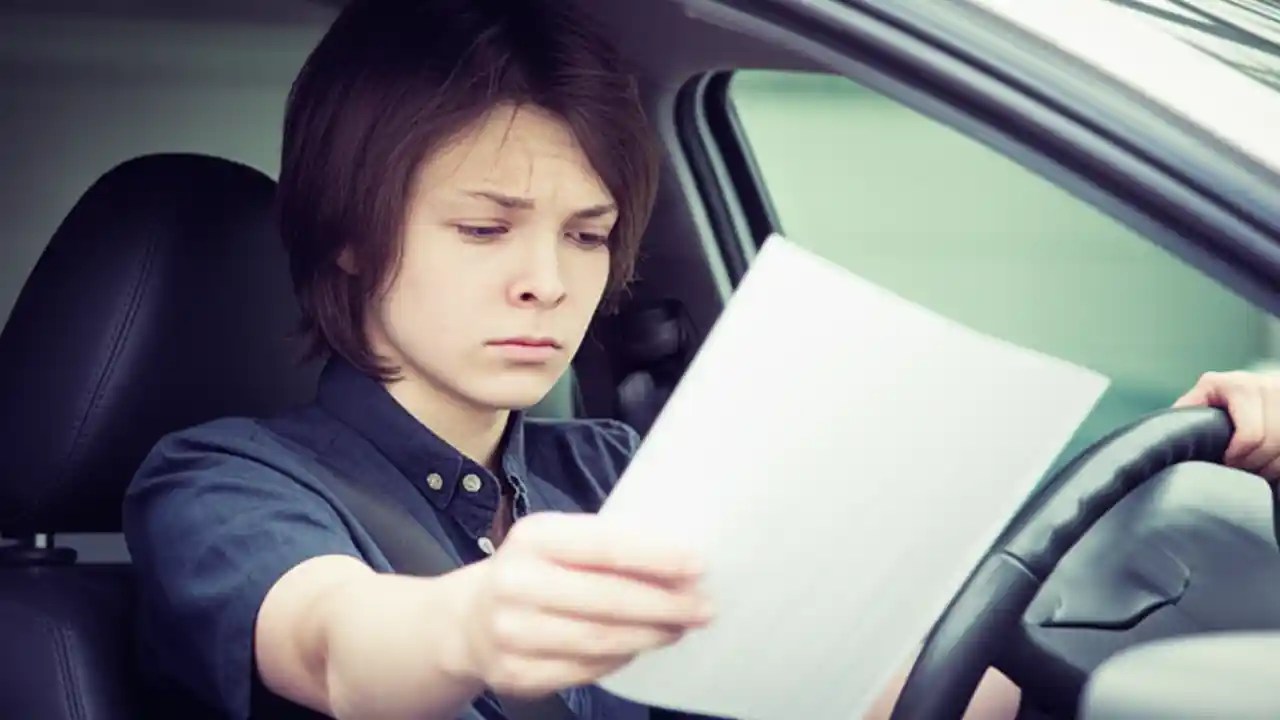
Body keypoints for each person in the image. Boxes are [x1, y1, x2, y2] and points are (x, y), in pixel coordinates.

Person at [121, 1, 1280, 719]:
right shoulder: (219, 483)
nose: (551, 281)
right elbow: (335, 650)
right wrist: (469, 627)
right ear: (352, 236)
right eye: (485, 229)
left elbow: (864, 693)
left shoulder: (627, 470)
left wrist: (1145, 507)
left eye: (585, 235)